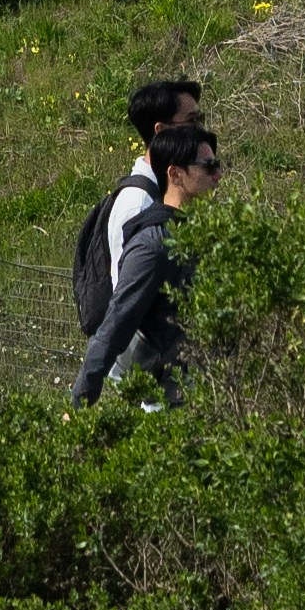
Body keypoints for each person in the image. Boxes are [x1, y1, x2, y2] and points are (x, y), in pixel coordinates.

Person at [74, 103, 219, 411]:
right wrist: (81, 401)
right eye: (207, 166)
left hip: (209, 395)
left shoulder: (203, 233)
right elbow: (116, 323)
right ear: (176, 174)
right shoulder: (152, 244)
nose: (217, 174)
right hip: (169, 403)